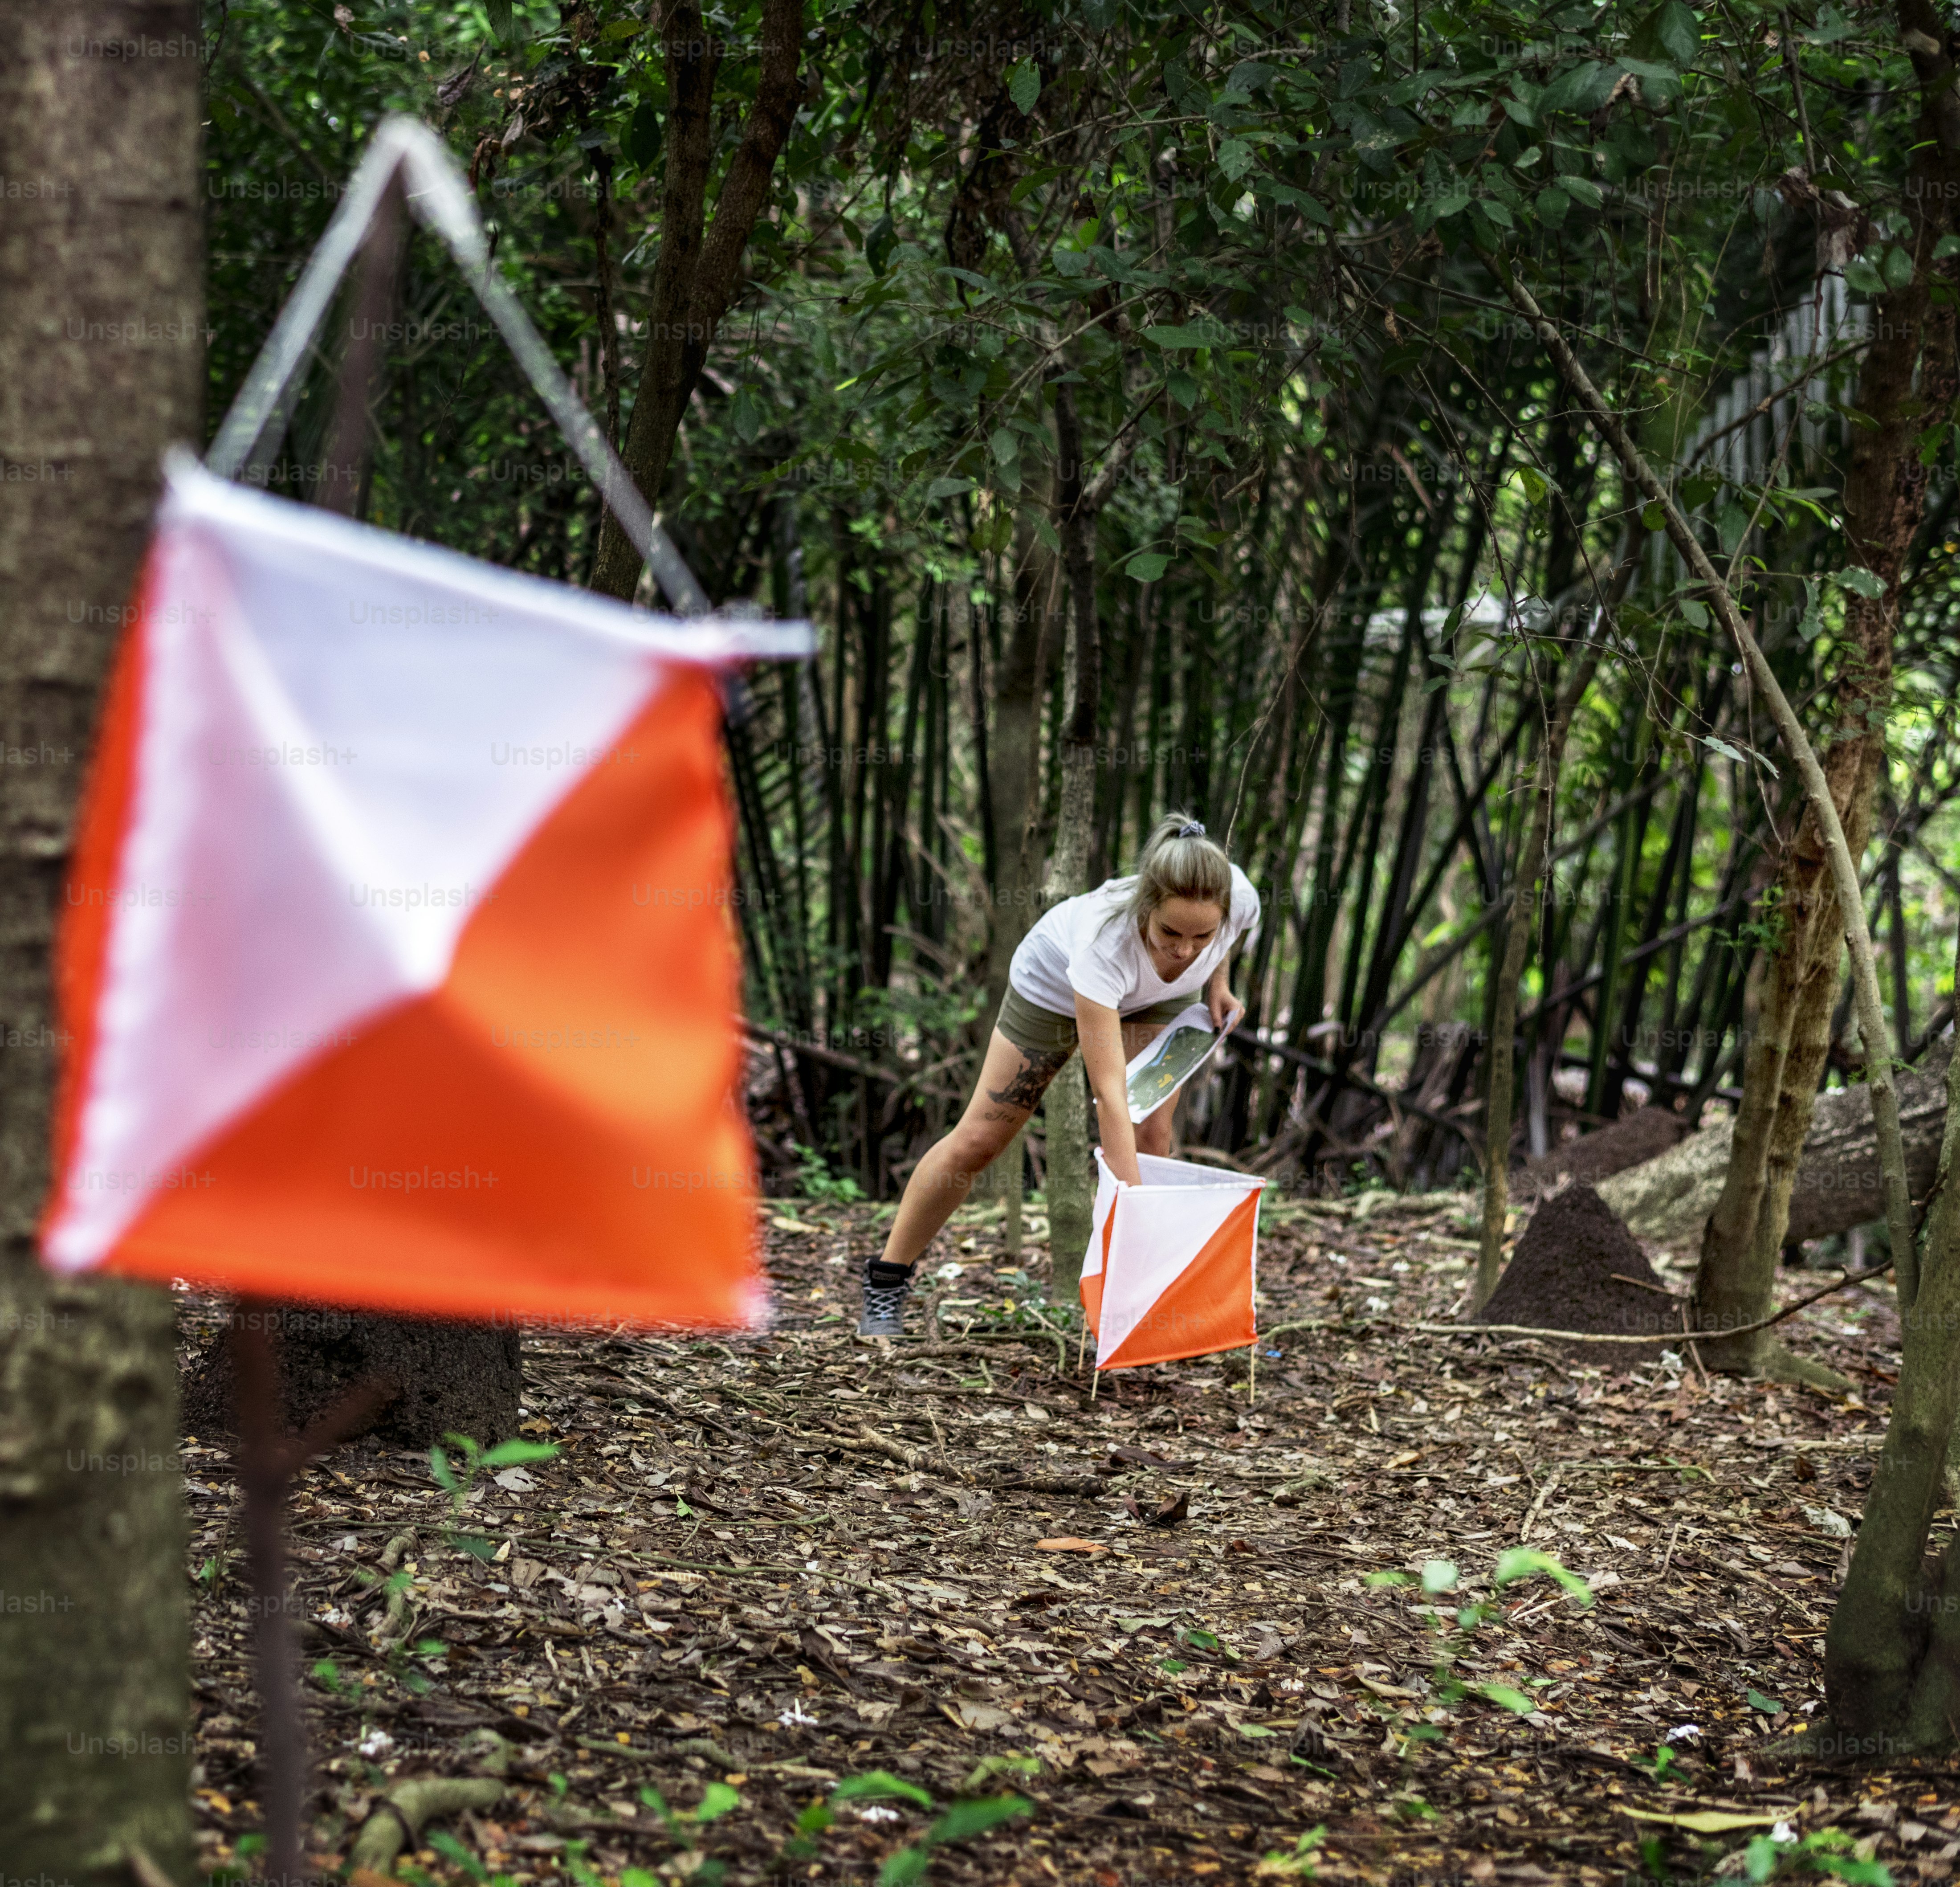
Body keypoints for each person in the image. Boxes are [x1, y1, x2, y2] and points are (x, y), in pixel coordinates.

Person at [859, 814, 1259, 1336]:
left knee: (1154, 1135)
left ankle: (1129, 1307)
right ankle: (886, 1283)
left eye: (1201, 935)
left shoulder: (1239, 897)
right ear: (1146, 907)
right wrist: (1133, 1212)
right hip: (1052, 990)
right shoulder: (1103, 942)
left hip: (1157, 998)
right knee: (980, 1139)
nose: (1184, 950)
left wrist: (1216, 984)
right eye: (1170, 932)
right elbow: (1109, 1095)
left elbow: (1228, 937)